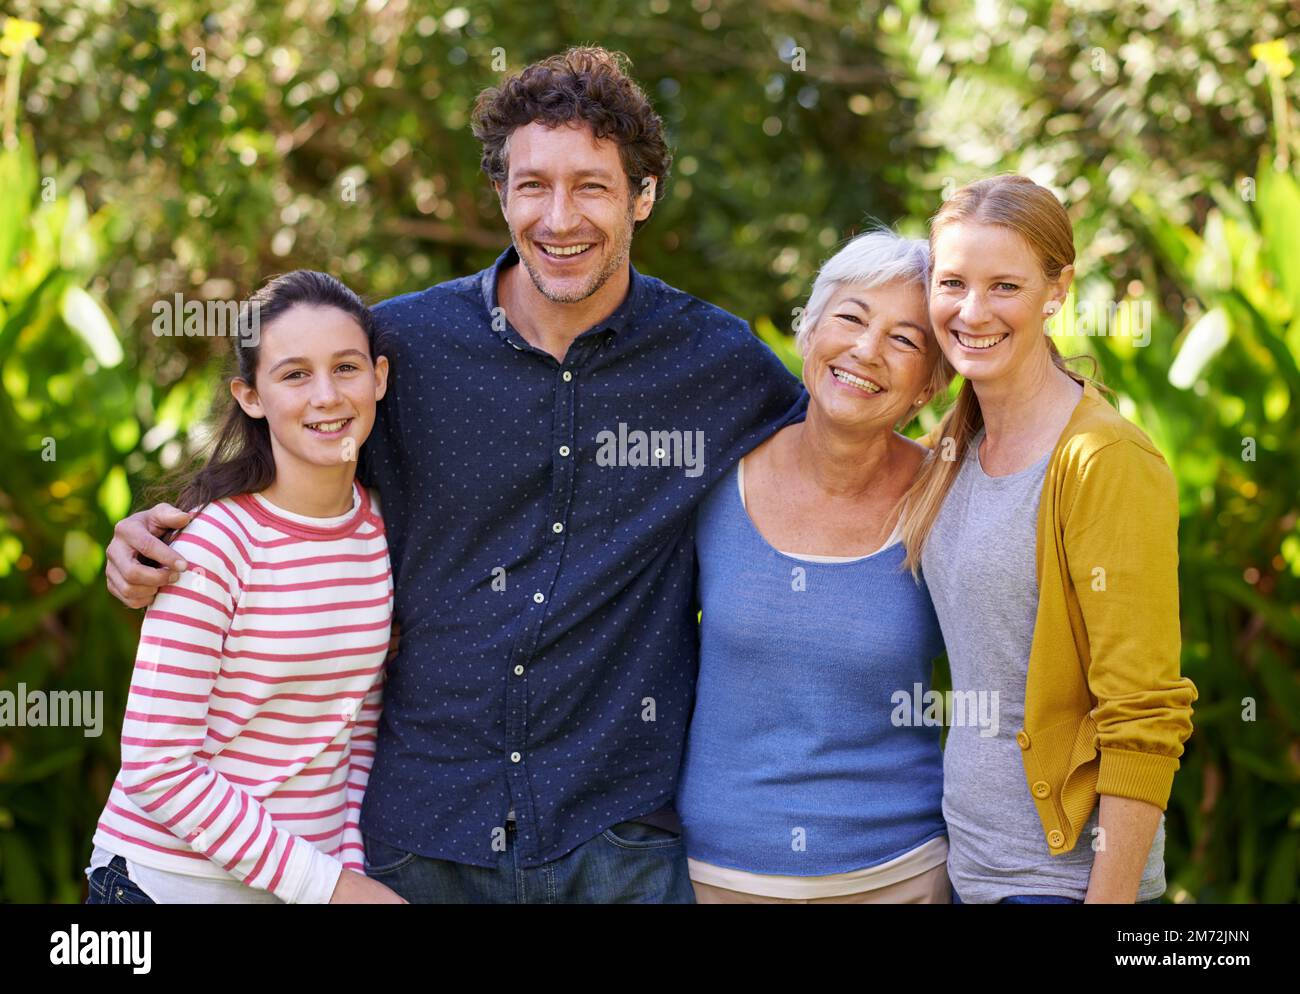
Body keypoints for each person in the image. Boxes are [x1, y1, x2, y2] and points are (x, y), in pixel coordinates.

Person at [103, 48, 806, 903]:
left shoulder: (716, 362)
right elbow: (293, 453)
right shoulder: (402, 347)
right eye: (532, 185)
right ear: (501, 195)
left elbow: (852, 457)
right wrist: (160, 531)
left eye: (591, 185)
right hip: (420, 841)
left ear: (642, 196)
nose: (559, 217)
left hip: (616, 838)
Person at [899, 174, 1197, 904]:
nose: (973, 311)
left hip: (1061, 885)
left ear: (1058, 290)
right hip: (969, 870)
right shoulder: (952, 449)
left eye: (1005, 286)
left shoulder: (1102, 461)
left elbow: (1145, 715)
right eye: (952, 283)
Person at [87, 271, 404, 904]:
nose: (326, 396)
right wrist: (330, 887)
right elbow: (157, 766)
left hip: (298, 889)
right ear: (251, 395)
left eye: (346, 367)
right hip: (166, 884)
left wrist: (349, 872)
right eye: (293, 374)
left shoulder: (376, 529)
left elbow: (353, 731)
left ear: (379, 378)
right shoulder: (217, 543)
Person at [677, 230, 953, 903]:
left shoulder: (946, 498)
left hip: (899, 876)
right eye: (851, 318)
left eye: (904, 340)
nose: (866, 350)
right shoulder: (713, 478)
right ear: (809, 332)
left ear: (928, 388)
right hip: (717, 877)